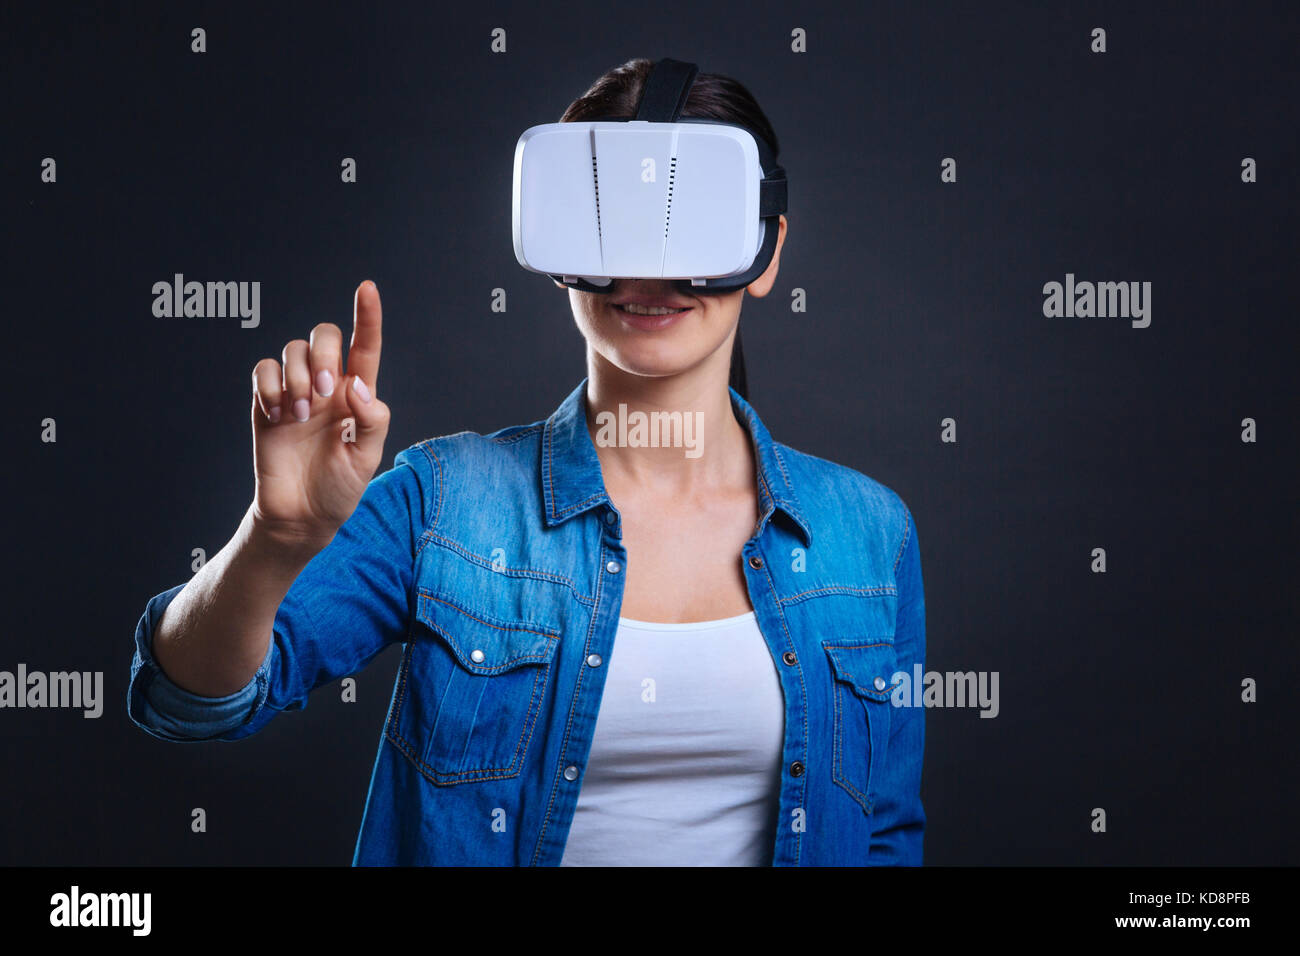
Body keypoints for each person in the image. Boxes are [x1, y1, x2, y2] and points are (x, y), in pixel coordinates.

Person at [127, 57, 926, 866]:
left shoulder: (868, 533)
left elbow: (885, 835)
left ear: (766, 249)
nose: (649, 271)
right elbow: (190, 700)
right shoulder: (444, 504)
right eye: (611, 218)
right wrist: (273, 538)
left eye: (693, 222)